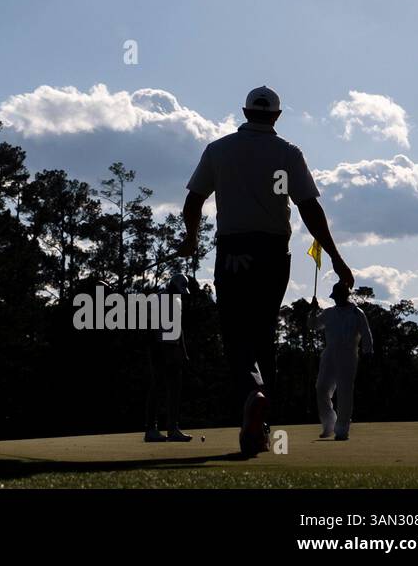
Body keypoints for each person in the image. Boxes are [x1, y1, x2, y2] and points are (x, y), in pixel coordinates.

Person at [176, 85, 354, 457]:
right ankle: (262, 423)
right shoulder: (288, 153)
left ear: (244, 112)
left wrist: (191, 239)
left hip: (233, 250)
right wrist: (336, 258)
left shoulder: (219, 149)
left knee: (237, 337)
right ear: (276, 116)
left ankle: (253, 397)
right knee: (263, 335)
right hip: (273, 252)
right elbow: (309, 208)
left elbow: (194, 200)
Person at [309, 282, 373, 441]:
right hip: (329, 355)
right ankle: (329, 424)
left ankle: (342, 429)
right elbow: (313, 325)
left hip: (348, 356)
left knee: (345, 392)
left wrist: (368, 352)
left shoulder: (357, 313)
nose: (336, 299)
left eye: (338, 296)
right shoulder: (329, 313)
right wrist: (313, 310)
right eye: (335, 296)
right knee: (321, 388)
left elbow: (366, 334)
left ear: (345, 296)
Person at [143, 271, 192, 443]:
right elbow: (150, 327)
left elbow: (179, 329)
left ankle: (173, 429)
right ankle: (151, 429)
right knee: (157, 386)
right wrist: (160, 351)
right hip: (158, 348)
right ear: (172, 286)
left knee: (175, 389)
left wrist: (183, 353)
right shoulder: (158, 299)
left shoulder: (177, 301)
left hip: (173, 349)